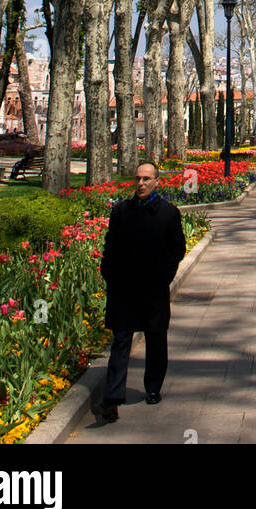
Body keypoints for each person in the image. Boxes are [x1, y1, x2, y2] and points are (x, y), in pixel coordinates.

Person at [94, 161, 186, 422]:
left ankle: (153, 387)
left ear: (157, 181)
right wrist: (108, 272)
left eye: (146, 179)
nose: (141, 183)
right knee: (121, 340)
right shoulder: (121, 211)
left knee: (156, 339)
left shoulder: (168, 213)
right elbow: (110, 245)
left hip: (153, 288)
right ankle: (111, 399)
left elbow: (177, 249)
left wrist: (164, 276)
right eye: (138, 179)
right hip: (124, 288)